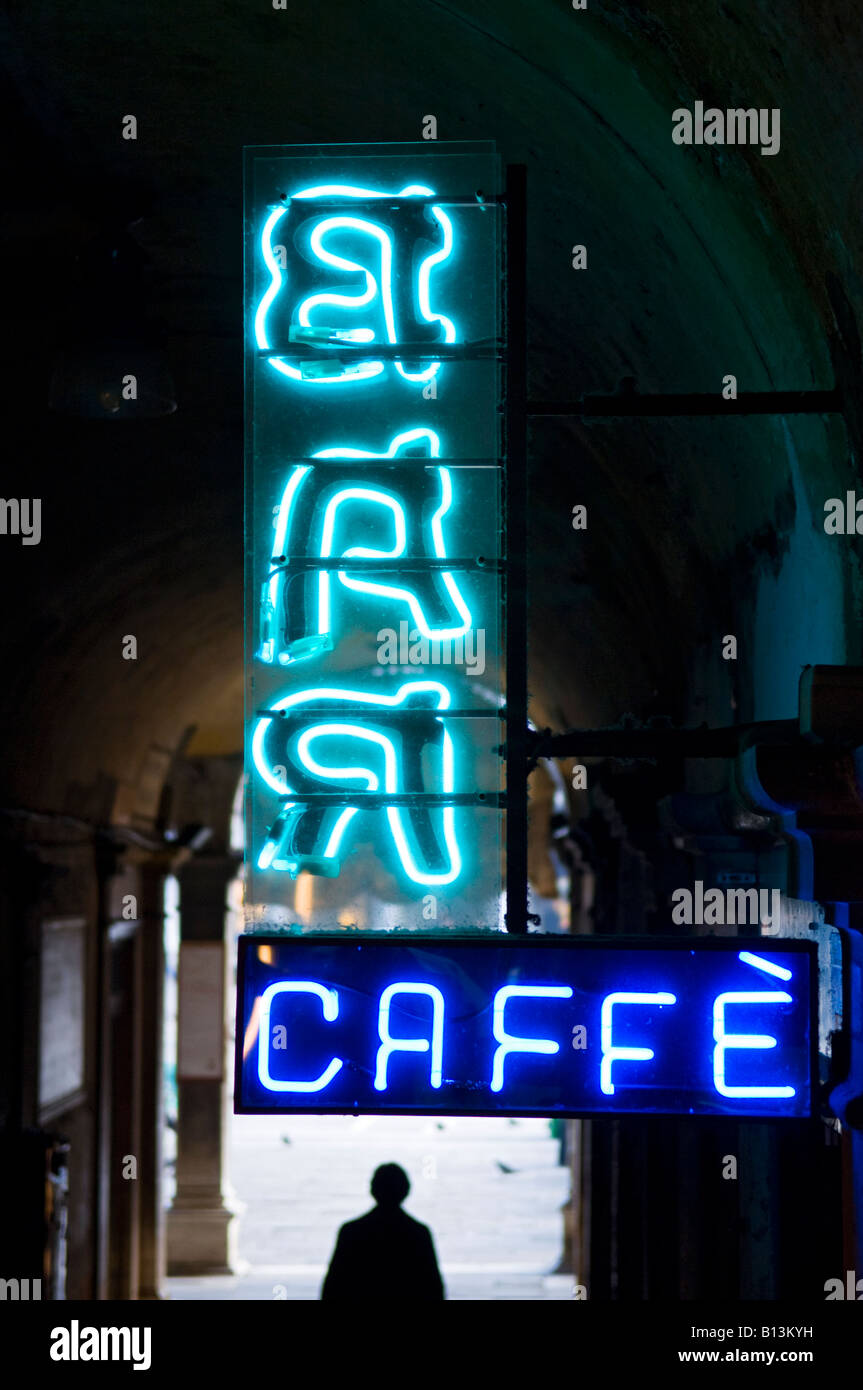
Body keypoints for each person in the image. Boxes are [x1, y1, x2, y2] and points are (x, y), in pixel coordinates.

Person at [321, 1162, 444, 1301]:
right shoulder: (419, 1233)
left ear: (373, 1189)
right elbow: (434, 1289)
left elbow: (332, 1287)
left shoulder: (351, 1231)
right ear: (406, 1190)